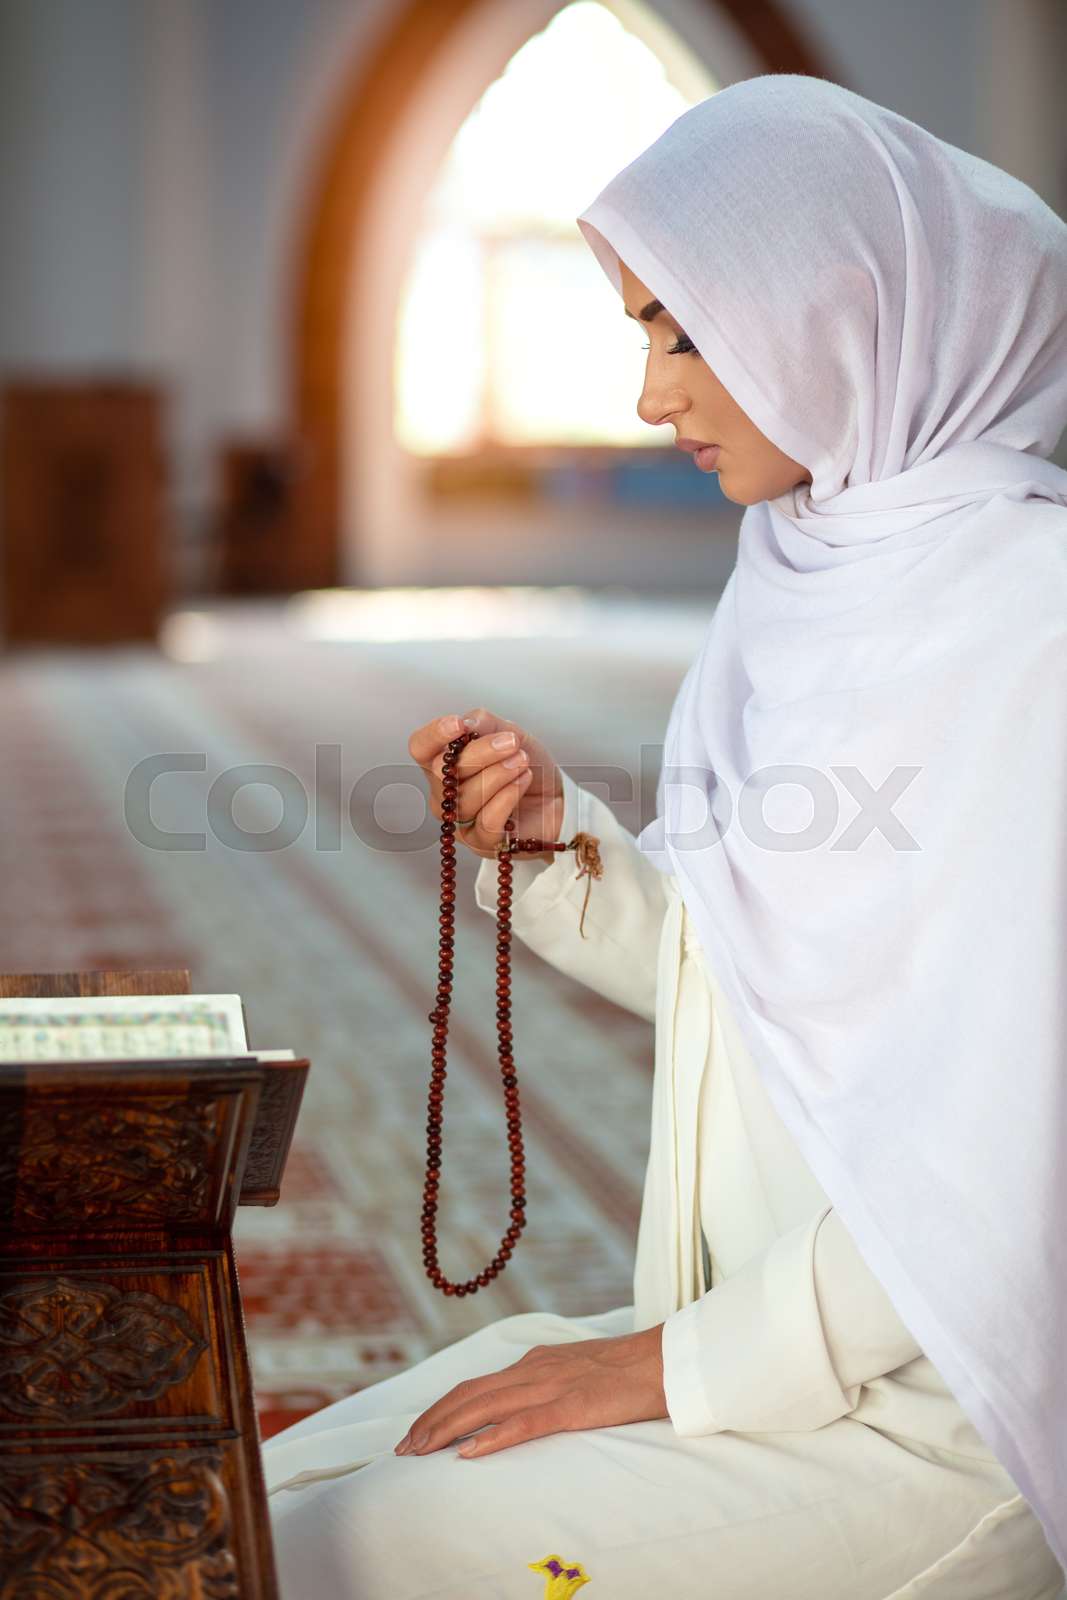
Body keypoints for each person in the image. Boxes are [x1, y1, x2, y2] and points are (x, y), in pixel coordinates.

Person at [262, 74, 1067, 1598]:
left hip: (946, 1408)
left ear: (842, 315)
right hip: (751, 1339)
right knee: (251, 1489)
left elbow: (1019, 1157)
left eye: (685, 335)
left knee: (330, 1553)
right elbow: (748, 983)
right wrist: (551, 843)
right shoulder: (804, 569)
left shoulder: (1036, 618)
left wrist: (665, 1370)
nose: (650, 397)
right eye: (642, 333)